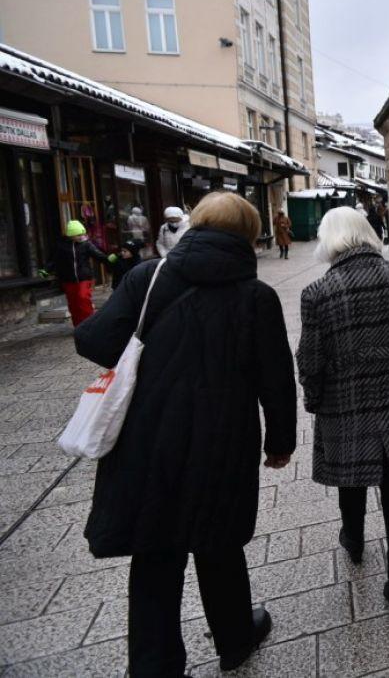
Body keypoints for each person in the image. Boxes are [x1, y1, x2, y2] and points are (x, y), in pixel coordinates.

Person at [74, 192, 297, 677]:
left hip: (148, 438)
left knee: (155, 552)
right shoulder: (256, 296)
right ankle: (235, 638)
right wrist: (280, 442)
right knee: (219, 541)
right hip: (223, 440)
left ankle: (156, 667)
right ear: (246, 234)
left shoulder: (146, 278)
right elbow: (275, 379)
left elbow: (92, 340)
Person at [296, 207, 389, 618]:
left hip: (345, 407)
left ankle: (354, 538)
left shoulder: (317, 294)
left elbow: (310, 360)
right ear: (366, 233)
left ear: (328, 240)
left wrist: (313, 401)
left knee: (351, 477)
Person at [45, 220, 113, 326]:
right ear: (71, 235)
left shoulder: (86, 244)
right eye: (78, 235)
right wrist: (46, 270)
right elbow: (54, 259)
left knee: (83, 298)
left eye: (82, 234)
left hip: (83, 277)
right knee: (73, 303)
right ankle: (78, 325)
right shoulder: (61, 246)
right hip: (68, 278)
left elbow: (98, 255)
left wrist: (109, 259)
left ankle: (90, 324)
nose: (81, 236)